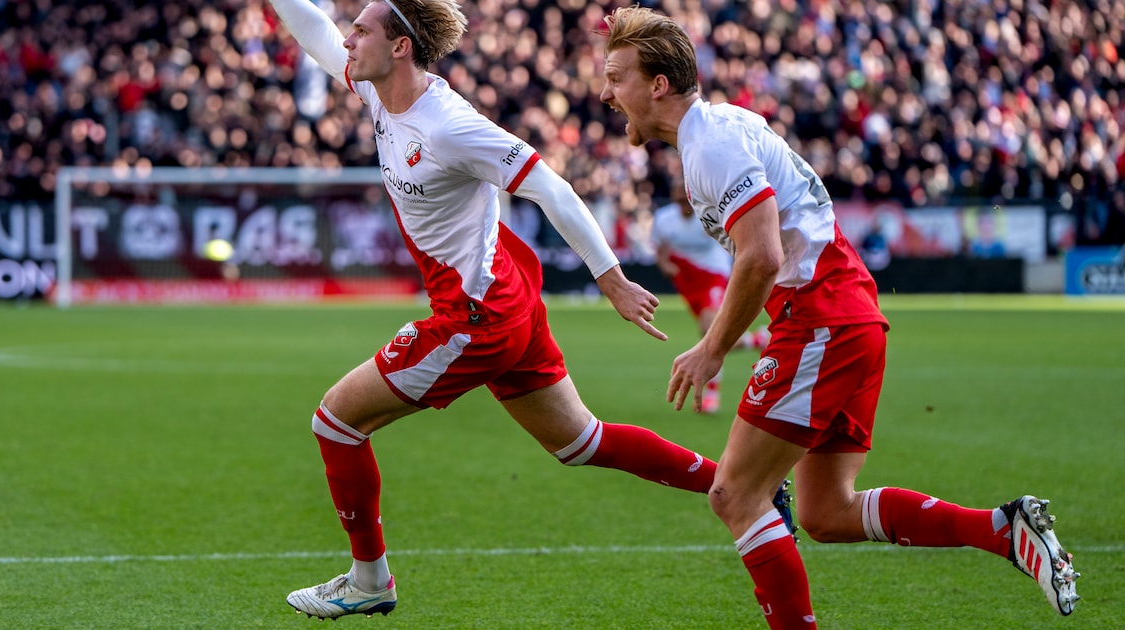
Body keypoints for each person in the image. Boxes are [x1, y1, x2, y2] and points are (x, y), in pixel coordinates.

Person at [265, 0, 787, 620]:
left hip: (474, 316)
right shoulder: (379, 91)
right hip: (507, 300)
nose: (348, 38)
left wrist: (611, 278)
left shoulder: (448, 125)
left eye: (362, 29)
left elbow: (551, 187)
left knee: (336, 422)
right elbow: (317, 35)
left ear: (400, 47)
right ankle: (743, 482)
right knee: (582, 442)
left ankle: (369, 579)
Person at [598, 6, 1080, 627]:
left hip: (821, 317)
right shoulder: (721, 127)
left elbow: (763, 255)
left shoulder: (709, 144)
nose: (606, 93)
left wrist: (714, 346)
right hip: (846, 316)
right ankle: (1004, 530)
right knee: (825, 513)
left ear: (657, 84)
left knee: (735, 495)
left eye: (616, 77)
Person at [650, 170, 769, 414]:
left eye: (685, 198)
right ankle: (758, 340)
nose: (682, 203)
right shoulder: (663, 218)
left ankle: (710, 397)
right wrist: (665, 266)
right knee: (710, 335)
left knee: (710, 331)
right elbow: (660, 250)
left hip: (714, 273)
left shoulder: (708, 214)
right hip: (687, 281)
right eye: (677, 198)